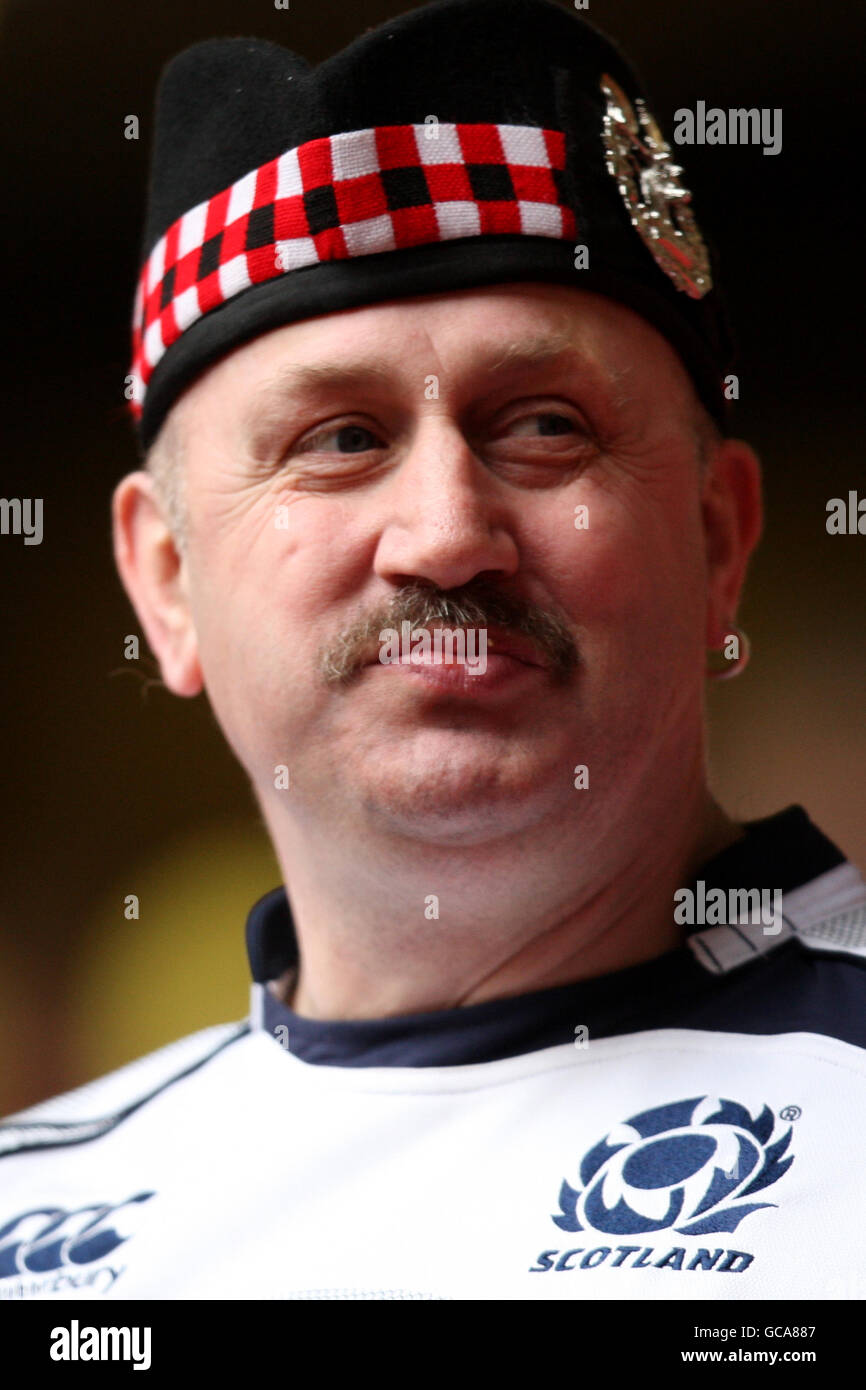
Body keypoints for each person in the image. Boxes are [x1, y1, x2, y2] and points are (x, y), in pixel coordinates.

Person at [2, 0, 864, 1302]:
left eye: (540, 424)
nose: (447, 533)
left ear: (715, 540)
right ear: (166, 584)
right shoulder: (38, 1219)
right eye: (338, 439)